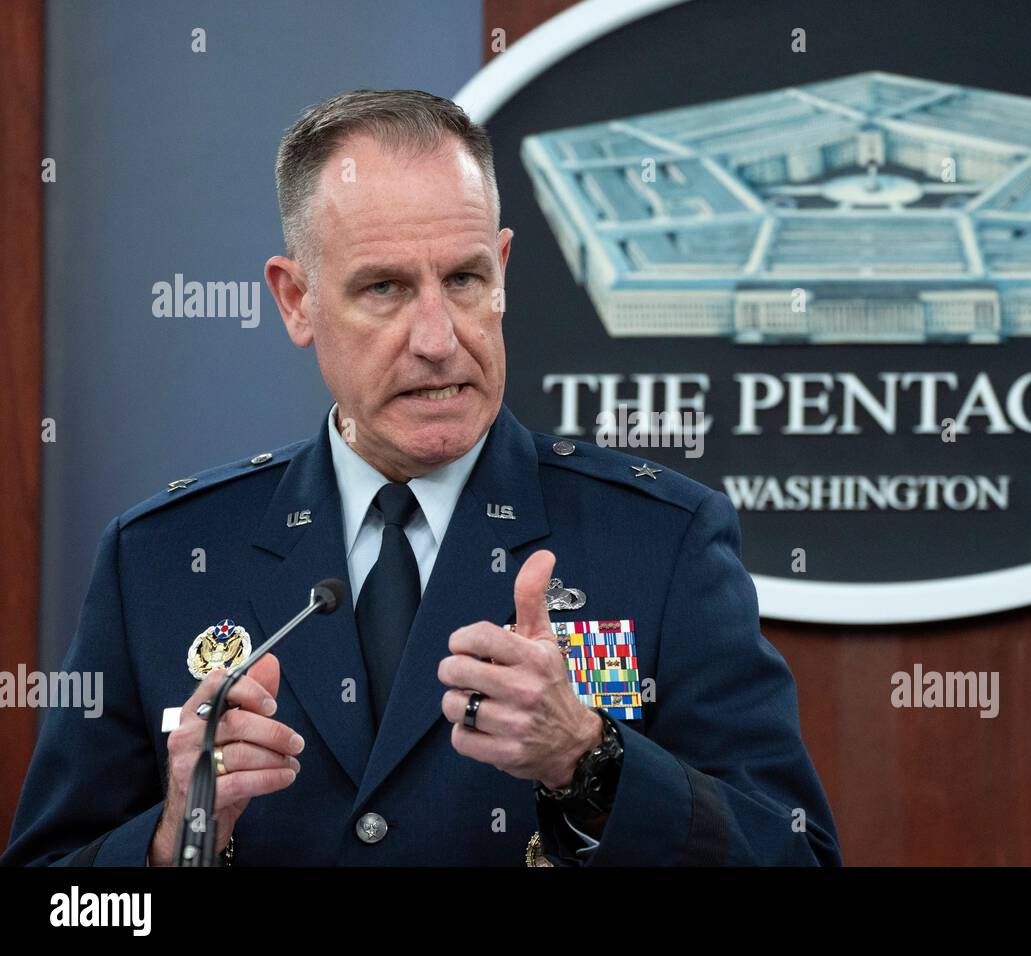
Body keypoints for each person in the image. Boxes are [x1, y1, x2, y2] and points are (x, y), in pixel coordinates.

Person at [1, 90, 841, 867]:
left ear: (503, 273)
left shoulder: (661, 540)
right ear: (296, 301)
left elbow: (795, 858)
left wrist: (592, 760)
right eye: (385, 288)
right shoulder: (162, 559)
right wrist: (171, 839)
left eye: (465, 279)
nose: (438, 337)